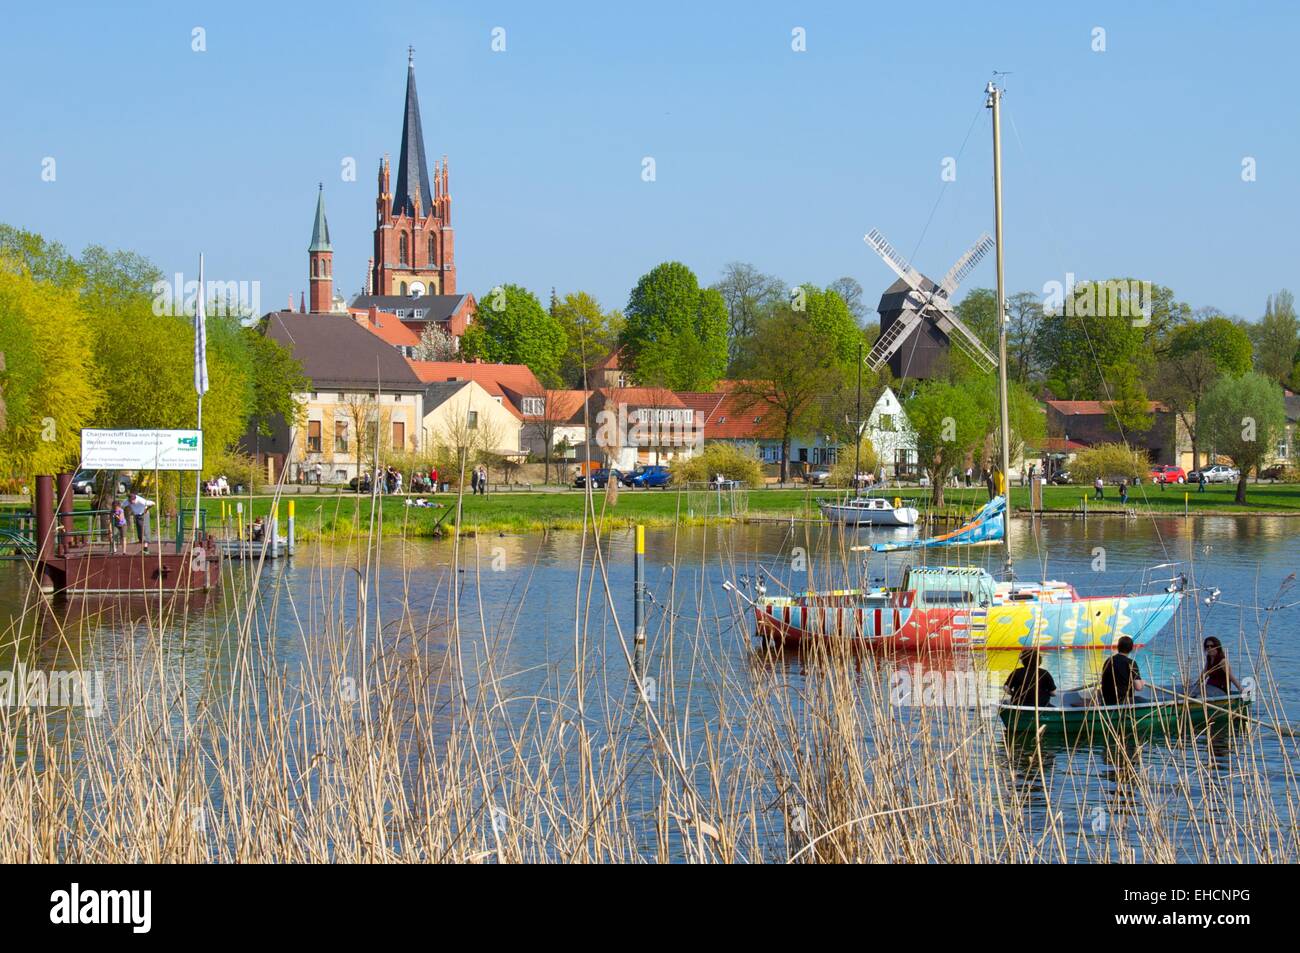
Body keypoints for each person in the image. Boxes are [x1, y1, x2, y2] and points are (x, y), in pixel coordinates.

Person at [1098, 636, 1144, 705]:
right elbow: (1138, 687)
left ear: (1118, 647)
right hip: (1123, 703)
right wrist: (1142, 683)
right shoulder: (1131, 663)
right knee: (1142, 700)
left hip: (1106, 701)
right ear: (1131, 649)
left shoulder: (1108, 661)